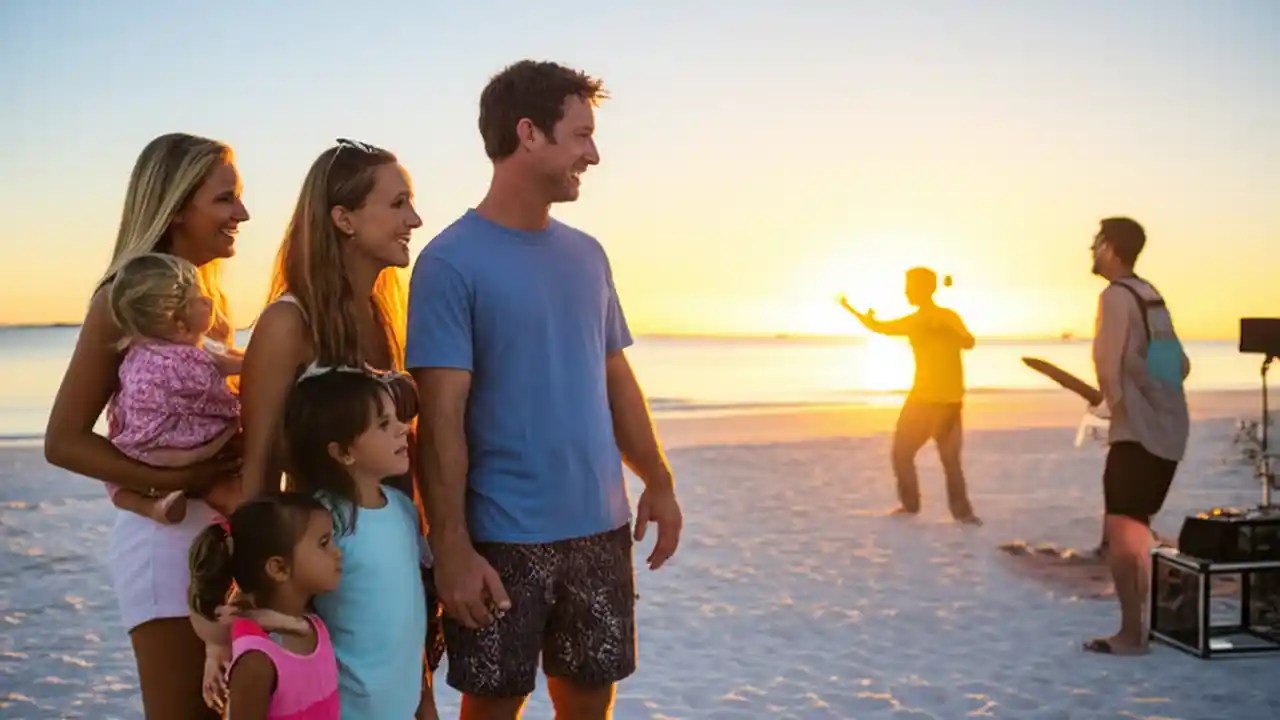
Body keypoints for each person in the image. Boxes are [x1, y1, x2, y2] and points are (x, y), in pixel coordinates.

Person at [409, 59, 685, 720]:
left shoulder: (588, 255)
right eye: (581, 135)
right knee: (495, 705)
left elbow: (614, 377)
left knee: (591, 702)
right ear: (528, 133)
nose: (593, 153)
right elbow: (441, 419)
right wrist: (450, 547)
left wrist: (659, 479)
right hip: (503, 538)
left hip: (601, 527)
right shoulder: (450, 262)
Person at [44, 132, 247, 718]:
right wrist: (193, 478)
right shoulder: (123, 298)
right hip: (166, 546)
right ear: (179, 205)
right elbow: (63, 440)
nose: (242, 213)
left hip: (221, 536)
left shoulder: (208, 300)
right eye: (225, 199)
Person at [283, 368, 437, 719]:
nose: (402, 428)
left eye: (397, 418)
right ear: (343, 453)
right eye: (383, 424)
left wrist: (426, 704)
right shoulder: (323, 521)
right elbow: (291, 606)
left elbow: (408, 618)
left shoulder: (402, 510)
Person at [1082, 217, 1189, 656]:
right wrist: (1148, 391)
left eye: (1095, 243)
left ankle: (1131, 634)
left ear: (1110, 247)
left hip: (1137, 435)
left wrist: (1111, 408)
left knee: (1122, 534)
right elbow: (1177, 368)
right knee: (1137, 527)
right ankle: (1147, 620)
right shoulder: (1149, 296)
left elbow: (1108, 367)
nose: (1091, 250)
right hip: (1168, 431)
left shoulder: (1114, 297)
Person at [105, 253, 243, 525]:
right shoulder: (190, 360)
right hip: (185, 450)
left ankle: (153, 508)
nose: (209, 301)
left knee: (116, 486)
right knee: (227, 452)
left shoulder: (137, 352)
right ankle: (226, 499)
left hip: (141, 450)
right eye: (200, 299)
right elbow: (223, 382)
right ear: (179, 321)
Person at [840, 268, 982, 525]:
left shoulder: (947, 317)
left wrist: (946, 332)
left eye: (910, 286)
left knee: (948, 459)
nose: (906, 292)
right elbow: (880, 327)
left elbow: (969, 342)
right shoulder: (914, 320)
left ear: (925, 288)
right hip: (921, 398)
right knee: (901, 453)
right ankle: (911, 506)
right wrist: (852, 310)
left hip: (946, 401)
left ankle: (963, 515)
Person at [188, 493, 342, 719]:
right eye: (323, 543)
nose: (337, 552)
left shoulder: (312, 626)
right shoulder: (256, 662)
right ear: (278, 568)